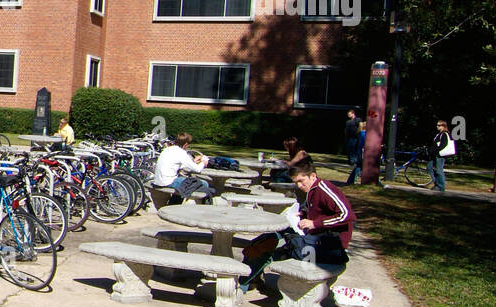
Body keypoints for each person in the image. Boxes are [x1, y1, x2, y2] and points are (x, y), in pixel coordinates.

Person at [239, 158, 355, 291]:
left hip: (329, 246)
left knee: (268, 247)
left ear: (312, 176)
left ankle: (242, 286)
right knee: (264, 240)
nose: (299, 186)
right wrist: (304, 213)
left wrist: (314, 223)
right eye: (296, 182)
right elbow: (320, 211)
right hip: (312, 238)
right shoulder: (312, 189)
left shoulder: (324, 189)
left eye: (301, 181)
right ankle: (251, 280)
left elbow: (346, 215)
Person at [152, 132, 215, 202]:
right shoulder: (181, 153)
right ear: (185, 144)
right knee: (204, 183)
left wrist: (193, 162)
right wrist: (203, 162)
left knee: (184, 182)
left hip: (158, 180)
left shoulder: (167, 149)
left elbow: (179, 164)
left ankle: (174, 204)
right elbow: (198, 169)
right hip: (168, 182)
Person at [428, 119, 456, 192]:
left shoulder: (444, 134)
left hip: (440, 155)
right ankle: (437, 183)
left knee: (439, 170)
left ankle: (441, 186)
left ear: (443, 126)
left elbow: (443, 145)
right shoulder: (439, 134)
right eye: (437, 125)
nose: (437, 126)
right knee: (429, 167)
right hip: (435, 155)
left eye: (439, 125)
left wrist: (436, 151)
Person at [345, 117, 366, 185]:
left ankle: (350, 180)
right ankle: (351, 180)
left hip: (360, 152)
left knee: (359, 166)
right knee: (360, 166)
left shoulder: (361, 133)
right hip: (362, 152)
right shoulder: (364, 134)